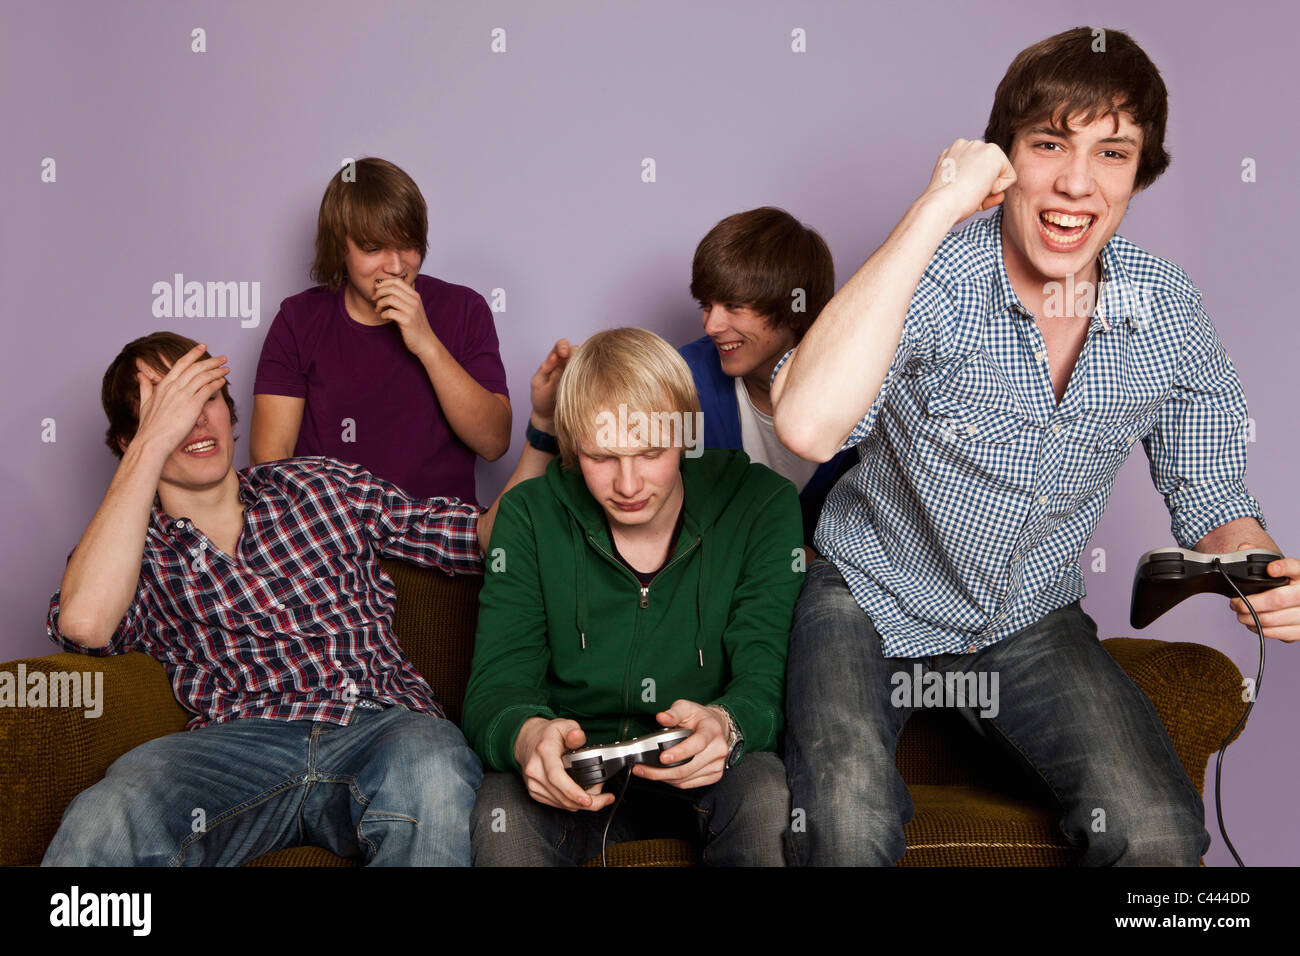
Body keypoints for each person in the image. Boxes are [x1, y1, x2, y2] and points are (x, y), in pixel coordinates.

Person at [771, 27, 1299, 866]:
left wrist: (1262, 567)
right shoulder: (935, 276)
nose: (1077, 183)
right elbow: (806, 426)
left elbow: (1213, 496)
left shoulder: (1165, 310)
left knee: (1157, 831)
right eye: (1050, 143)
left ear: (1140, 173)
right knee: (845, 820)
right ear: (1005, 156)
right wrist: (937, 206)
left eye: (1113, 153)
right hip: (868, 597)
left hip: (1027, 619)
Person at [42, 332, 485, 866]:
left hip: (380, 728)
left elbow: (479, 539)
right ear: (129, 439)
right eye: (167, 405)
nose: (195, 421)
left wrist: (544, 437)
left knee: (432, 769)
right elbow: (85, 625)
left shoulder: (318, 484)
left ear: (231, 416)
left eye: (206, 398)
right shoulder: (130, 548)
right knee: (108, 810)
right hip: (235, 749)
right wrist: (152, 442)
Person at [464, 328, 804, 866]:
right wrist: (528, 737)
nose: (627, 484)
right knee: (499, 805)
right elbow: (495, 686)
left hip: (708, 773)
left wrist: (730, 723)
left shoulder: (760, 504)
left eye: (650, 452)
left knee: (764, 790)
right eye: (602, 457)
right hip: (576, 771)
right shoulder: (528, 515)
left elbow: (766, 675)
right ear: (573, 448)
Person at [251, 157, 510, 505]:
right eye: (373, 249)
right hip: (334, 544)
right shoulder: (298, 320)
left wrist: (427, 344)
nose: (396, 267)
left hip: (439, 542)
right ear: (339, 248)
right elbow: (270, 463)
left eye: (408, 246)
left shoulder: (465, 310)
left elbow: (494, 442)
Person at [679, 206, 854, 543]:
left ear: (792, 311)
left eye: (734, 306)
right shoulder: (681, 378)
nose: (711, 325)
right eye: (706, 305)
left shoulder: (859, 384)